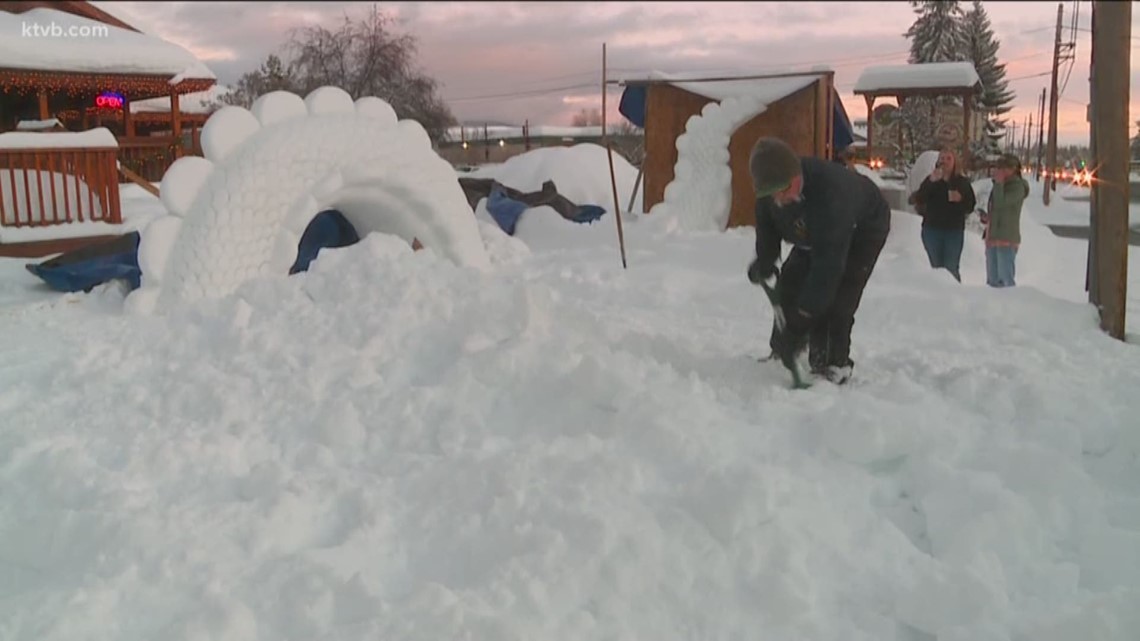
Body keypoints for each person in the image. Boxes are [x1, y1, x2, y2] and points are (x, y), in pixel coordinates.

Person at [746, 137, 892, 385]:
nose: (778, 200)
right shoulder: (772, 190)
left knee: (838, 297)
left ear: (795, 178)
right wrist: (766, 259)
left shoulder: (831, 195)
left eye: (783, 191)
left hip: (862, 229)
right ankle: (782, 353)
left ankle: (831, 364)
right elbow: (767, 228)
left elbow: (827, 270)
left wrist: (801, 320)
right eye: (772, 195)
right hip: (814, 230)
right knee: (791, 282)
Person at [910, 148, 976, 282]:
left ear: (955, 162)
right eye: (942, 158)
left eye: (948, 158)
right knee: (936, 268)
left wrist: (960, 200)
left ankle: (954, 297)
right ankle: (939, 296)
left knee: (951, 268)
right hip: (932, 230)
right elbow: (919, 199)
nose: (944, 161)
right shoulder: (932, 180)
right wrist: (930, 182)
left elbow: (970, 206)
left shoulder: (962, 182)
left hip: (953, 231)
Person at [980, 154, 1029, 287]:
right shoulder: (999, 185)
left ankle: (1008, 306)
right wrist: (988, 218)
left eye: (1003, 168)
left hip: (1006, 239)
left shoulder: (1017, 187)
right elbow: (996, 207)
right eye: (999, 167)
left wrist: (999, 184)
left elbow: (1002, 202)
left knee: (1005, 280)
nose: (999, 171)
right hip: (992, 236)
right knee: (992, 281)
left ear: (1013, 169)